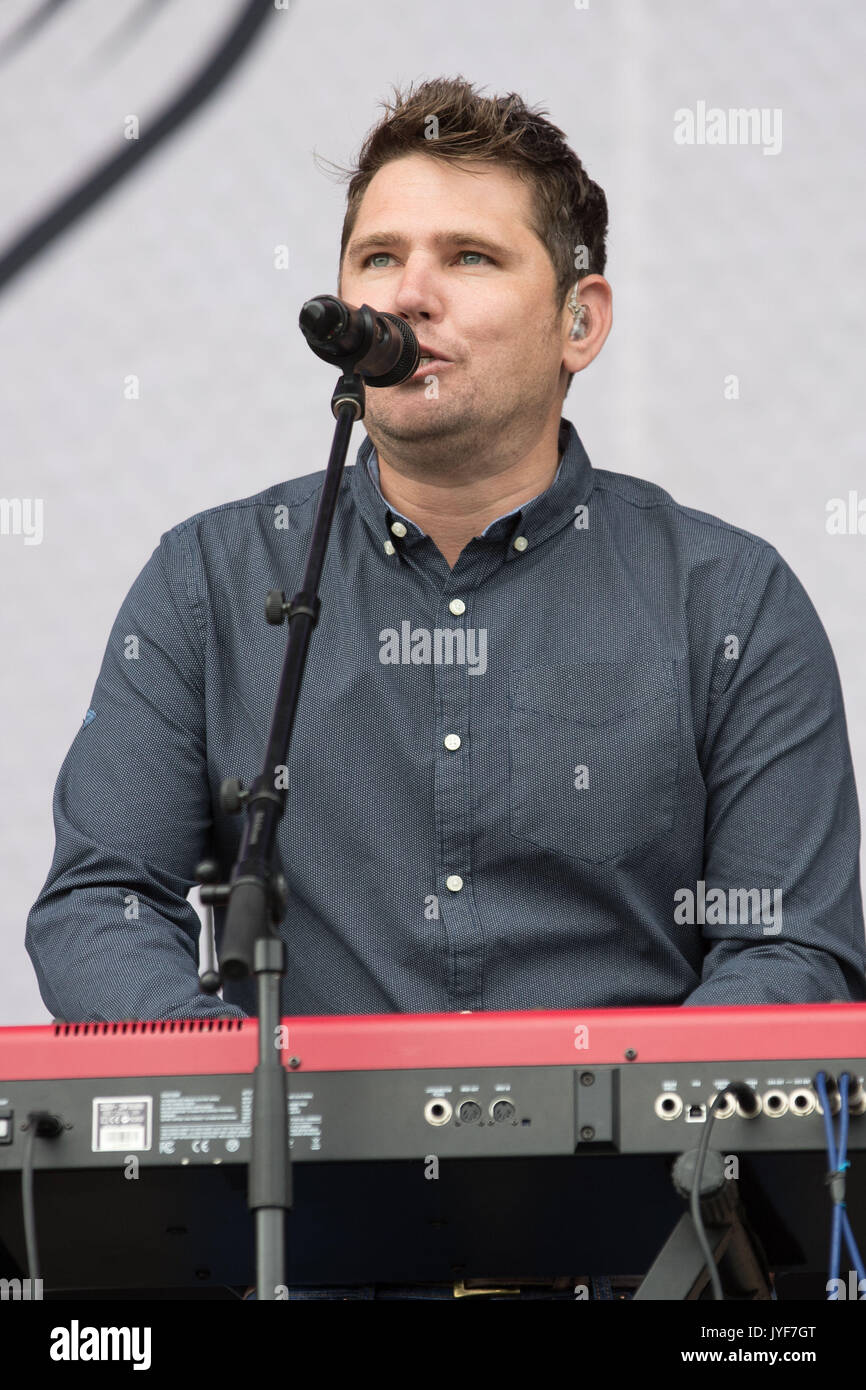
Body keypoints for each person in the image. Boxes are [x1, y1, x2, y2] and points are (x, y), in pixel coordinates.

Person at [25, 74, 866, 1298]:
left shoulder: (727, 600)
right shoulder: (210, 580)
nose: (404, 293)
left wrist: (628, 1112)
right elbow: (100, 900)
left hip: (654, 1266)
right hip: (299, 1254)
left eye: (468, 256)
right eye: (377, 257)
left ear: (579, 322)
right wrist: (229, 1085)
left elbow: (787, 944)